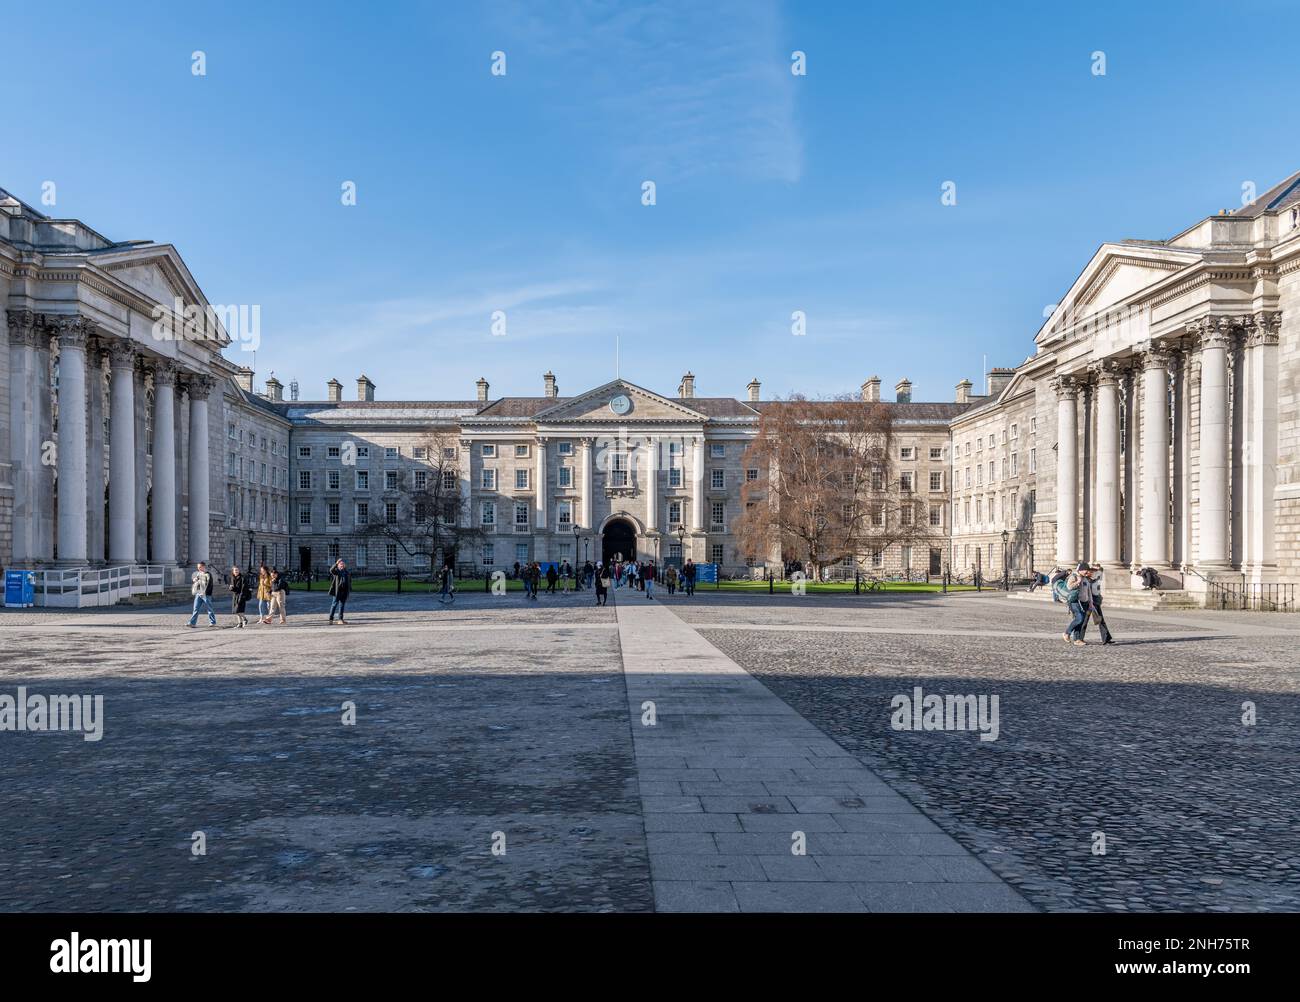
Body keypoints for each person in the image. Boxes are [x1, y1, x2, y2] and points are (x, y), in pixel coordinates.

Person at [1054, 564, 1087, 646]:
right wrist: (1078, 582)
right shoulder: (1074, 576)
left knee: (1081, 619)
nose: (1087, 571)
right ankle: (1067, 633)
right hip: (1072, 600)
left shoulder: (1083, 577)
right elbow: (1069, 587)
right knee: (1079, 618)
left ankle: (1077, 639)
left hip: (1078, 600)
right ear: (1080, 570)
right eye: (1085, 570)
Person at [1085, 565, 1115, 645]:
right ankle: (1078, 638)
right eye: (1092, 572)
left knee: (1101, 620)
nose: (1094, 573)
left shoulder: (1095, 579)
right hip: (1088, 603)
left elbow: (1100, 572)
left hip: (1095, 602)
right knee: (1084, 621)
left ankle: (1106, 638)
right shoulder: (1087, 580)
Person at [187, 561, 217, 628]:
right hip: (198, 594)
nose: (199, 568)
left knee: (209, 608)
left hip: (206, 594)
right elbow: (197, 582)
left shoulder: (208, 574)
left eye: (200, 567)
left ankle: (213, 622)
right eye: (198, 567)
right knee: (195, 608)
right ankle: (192, 623)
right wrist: (195, 580)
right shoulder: (198, 574)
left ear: (203, 567)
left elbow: (210, 585)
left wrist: (204, 592)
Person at [328, 558, 351, 624]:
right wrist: (336, 563)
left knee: (342, 605)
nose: (342, 565)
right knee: (334, 605)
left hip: (344, 591)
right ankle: (331, 619)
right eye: (340, 564)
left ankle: (340, 619)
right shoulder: (336, 571)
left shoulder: (346, 572)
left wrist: (349, 589)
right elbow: (331, 570)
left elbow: (349, 581)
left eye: (343, 564)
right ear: (338, 565)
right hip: (337, 591)